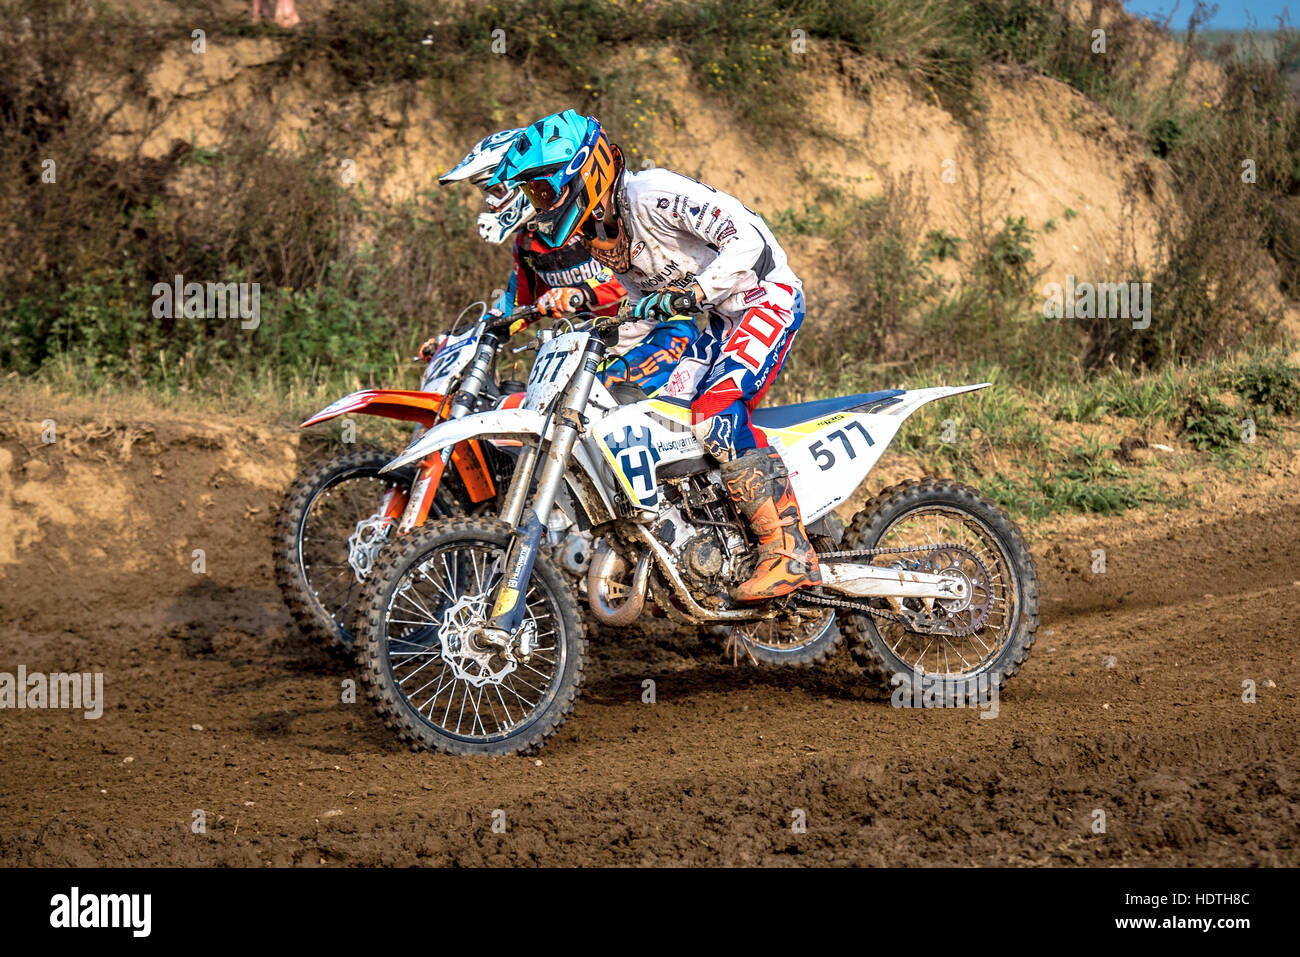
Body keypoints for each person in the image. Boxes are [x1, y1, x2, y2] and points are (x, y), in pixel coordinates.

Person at [488, 110, 818, 601]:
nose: (539, 206)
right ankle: (704, 541)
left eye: (542, 191)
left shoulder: (653, 194)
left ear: (582, 172)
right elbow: (643, 301)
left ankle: (788, 551)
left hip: (764, 296)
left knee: (713, 414)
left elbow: (746, 237)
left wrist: (697, 290)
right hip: (719, 318)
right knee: (656, 414)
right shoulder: (600, 238)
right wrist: (605, 335)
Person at [435, 129, 697, 394]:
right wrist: (456, 338)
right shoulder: (527, 243)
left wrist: (580, 293)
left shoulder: (587, 220)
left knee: (600, 397)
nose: (490, 204)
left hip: (660, 329)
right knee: (548, 403)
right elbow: (518, 304)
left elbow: (635, 272)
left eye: (495, 190)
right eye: (486, 194)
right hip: (597, 344)